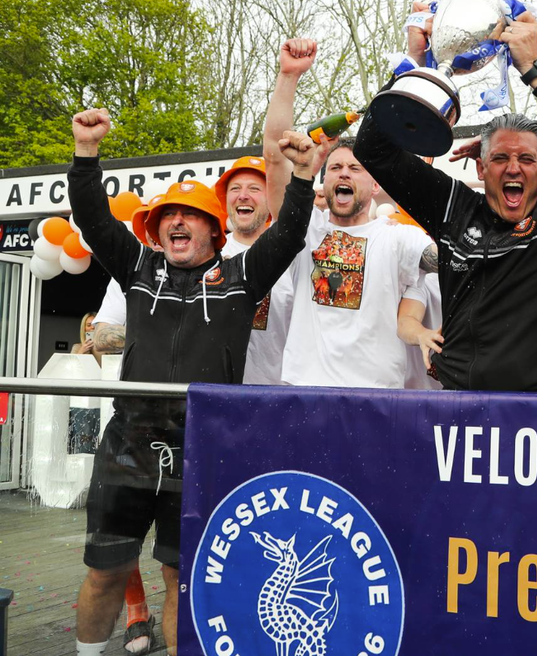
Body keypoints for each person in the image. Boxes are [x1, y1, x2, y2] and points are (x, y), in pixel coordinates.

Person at [67, 108, 316, 656]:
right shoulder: (136, 266)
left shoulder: (242, 275)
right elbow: (90, 217)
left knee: (182, 580)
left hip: (202, 448)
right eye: (167, 217)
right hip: (128, 443)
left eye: (190, 215)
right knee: (106, 571)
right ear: (155, 230)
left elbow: (293, 231)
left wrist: (302, 176)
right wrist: (87, 152)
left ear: (214, 229)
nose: (176, 223)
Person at [355, 13, 537, 392]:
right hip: (460, 409)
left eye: (526, 160)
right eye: (500, 159)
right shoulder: (453, 208)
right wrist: (415, 70)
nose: (513, 168)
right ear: (481, 169)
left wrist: (535, 72)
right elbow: (372, 149)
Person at [262, 38, 437, 390]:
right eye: (335, 167)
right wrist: (288, 76)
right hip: (305, 393)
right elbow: (275, 153)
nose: (343, 173)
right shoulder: (306, 231)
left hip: (376, 398)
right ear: (323, 182)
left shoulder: (398, 237)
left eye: (355, 169)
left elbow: (448, 262)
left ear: (375, 186)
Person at [214, 155, 295, 385]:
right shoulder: (208, 257)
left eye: (254, 188)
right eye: (235, 188)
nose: (243, 195)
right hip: (218, 394)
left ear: (271, 198)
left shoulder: (293, 257)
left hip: (277, 396)